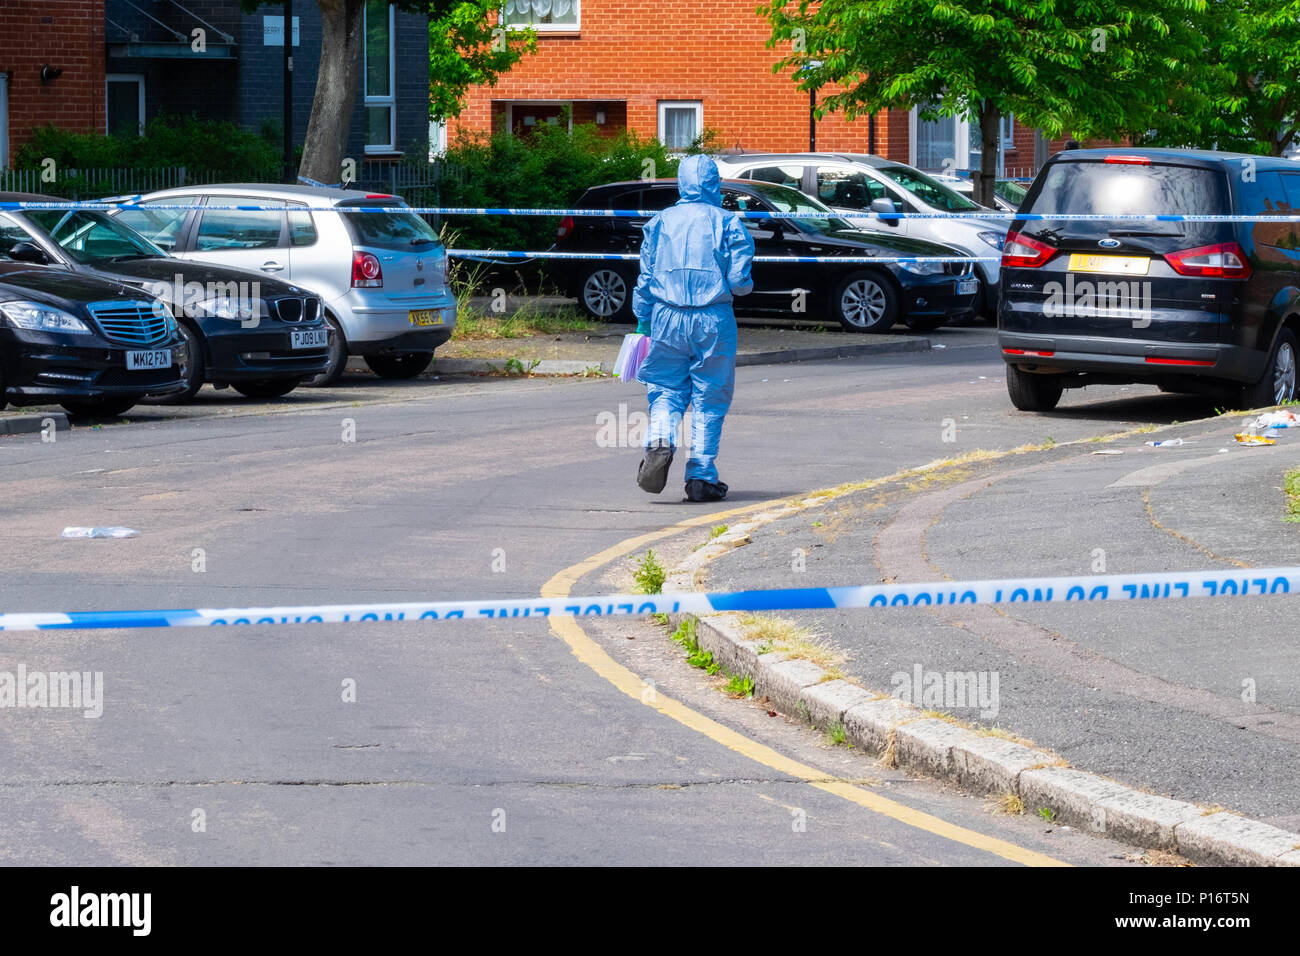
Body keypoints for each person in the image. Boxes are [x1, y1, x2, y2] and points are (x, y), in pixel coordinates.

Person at [631, 154, 755, 502]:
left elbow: (645, 278)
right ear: (715, 184)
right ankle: (701, 474)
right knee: (709, 396)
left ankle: (659, 439)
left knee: (666, 388)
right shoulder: (728, 222)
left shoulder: (660, 222)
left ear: (681, 183)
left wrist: (642, 317)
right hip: (712, 317)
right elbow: (739, 281)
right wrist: (738, 284)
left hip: (665, 316)